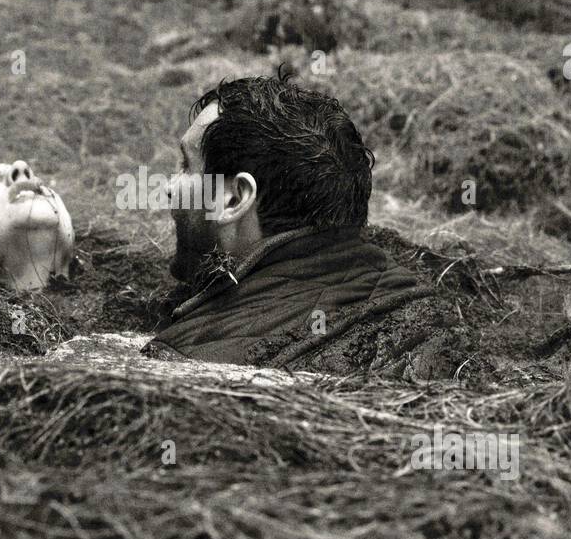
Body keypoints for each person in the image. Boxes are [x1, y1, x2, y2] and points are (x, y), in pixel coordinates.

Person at [143, 66, 475, 379]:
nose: (170, 187)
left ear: (233, 199)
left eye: (187, 167)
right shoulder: (435, 319)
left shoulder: (192, 363)